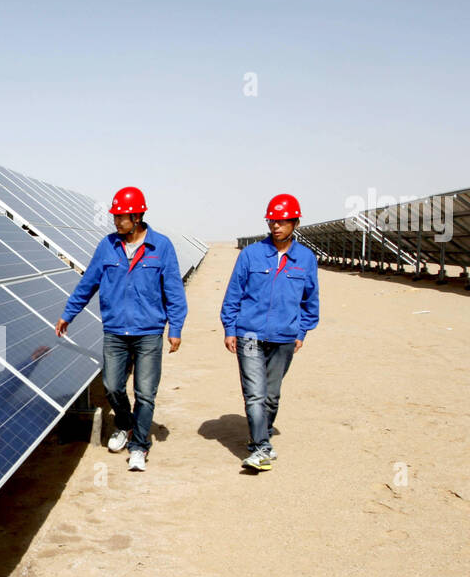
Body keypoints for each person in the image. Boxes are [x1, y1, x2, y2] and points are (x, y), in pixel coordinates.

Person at [55, 186, 187, 472]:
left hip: (149, 332)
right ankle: (125, 424)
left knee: (145, 393)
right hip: (116, 332)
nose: (116, 221)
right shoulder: (107, 245)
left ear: (137, 216)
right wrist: (69, 313)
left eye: (122, 216)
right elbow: (88, 282)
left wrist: (175, 327)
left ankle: (139, 446)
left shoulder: (161, 246)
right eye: (115, 216)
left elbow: (175, 291)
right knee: (113, 386)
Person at [219, 193, 320, 472]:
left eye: (283, 221)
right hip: (249, 335)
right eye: (272, 221)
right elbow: (233, 294)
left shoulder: (305, 259)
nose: (276, 226)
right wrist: (230, 328)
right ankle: (262, 447)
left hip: (284, 338)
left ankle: (260, 434)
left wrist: (302, 332)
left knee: (271, 395)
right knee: (254, 394)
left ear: (295, 223)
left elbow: (310, 301)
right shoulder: (251, 254)